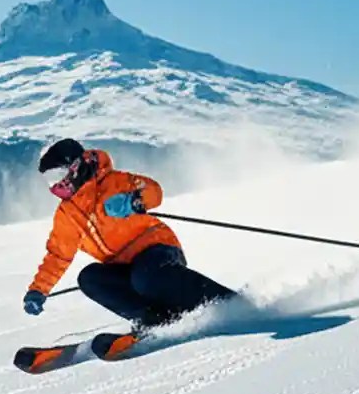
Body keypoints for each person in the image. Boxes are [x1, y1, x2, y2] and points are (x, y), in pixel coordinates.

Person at [23, 138, 233, 354]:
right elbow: (58, 254)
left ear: (75, 166)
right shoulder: (67, 214)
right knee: (89, 278)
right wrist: (38, 290)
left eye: (57, 176)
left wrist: (135, 201)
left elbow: (154, 190)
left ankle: (225, 303)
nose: (55, 185)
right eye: (49, 180)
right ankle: (156, 319)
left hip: (157, 250)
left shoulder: (113, 182)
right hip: (124, 267)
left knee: (145, 277)